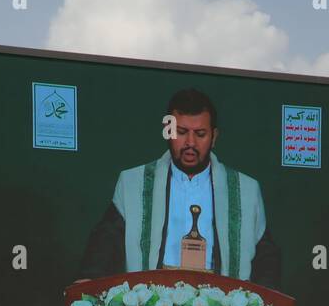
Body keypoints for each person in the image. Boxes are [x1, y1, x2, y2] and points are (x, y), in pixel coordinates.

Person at [79, 88, 279, 287]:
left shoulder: (245, 190)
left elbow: (266, 259)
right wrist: (89, 279)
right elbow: (105, 243)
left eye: (200, 134)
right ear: (168, 131)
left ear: (214, 136)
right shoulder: (133, 183)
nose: (190, 143)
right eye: (181, 132)